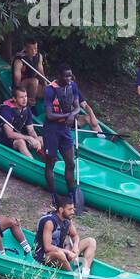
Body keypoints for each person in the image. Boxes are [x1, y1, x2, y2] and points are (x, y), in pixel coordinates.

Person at [42, 66, 85, 203]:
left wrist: (72, 114)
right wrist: (68, 115)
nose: (68, 79)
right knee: (50, 163)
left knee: (70, 163)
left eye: (70, 76)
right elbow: (49, 115)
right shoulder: (49, 90)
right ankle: (54, 196)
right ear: (59, 76)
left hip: (65, 129)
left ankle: (71, 195)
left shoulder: (73, 86)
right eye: (66, 76)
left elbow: (77, 107)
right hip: (51, 130)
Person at [34, 196, 96, 277]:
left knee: (91, 241)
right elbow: (47, 247)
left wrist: (75, 246)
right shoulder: (49, 222)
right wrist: (67, 252)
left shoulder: (67, 220)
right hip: (45, 256)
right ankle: (72, 276)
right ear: (61, 210)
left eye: (73, 209)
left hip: (61, 252)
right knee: (60, 254)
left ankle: (85, 274)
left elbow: (75, 235)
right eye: (70, 209)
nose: (73, 212)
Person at [0, 87, 43, 158]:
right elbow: (9, 134)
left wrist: (35, 139)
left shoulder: (26, 109)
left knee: (41, 139)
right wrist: (28, 138)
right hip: (3, 137)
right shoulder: (6, 110)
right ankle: (31, 161)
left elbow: (31, 130)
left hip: (17, 135)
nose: (25, 99)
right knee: (20, 142)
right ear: (14, 99)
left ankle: (52, 161)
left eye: (25, 96)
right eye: (21, 97)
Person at [12, 37, 47, 109]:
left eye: (36, 48)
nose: (34, 51)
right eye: (31, 49)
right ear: (25, 48)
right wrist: (22, 96)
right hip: (22, 85)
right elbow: (17, 81)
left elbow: (41, 73)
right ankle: (30, 105)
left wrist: (46, 86)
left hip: (33, 86)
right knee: (34, 81)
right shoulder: (19, 61)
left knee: (48, 91)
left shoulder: (39, 56)